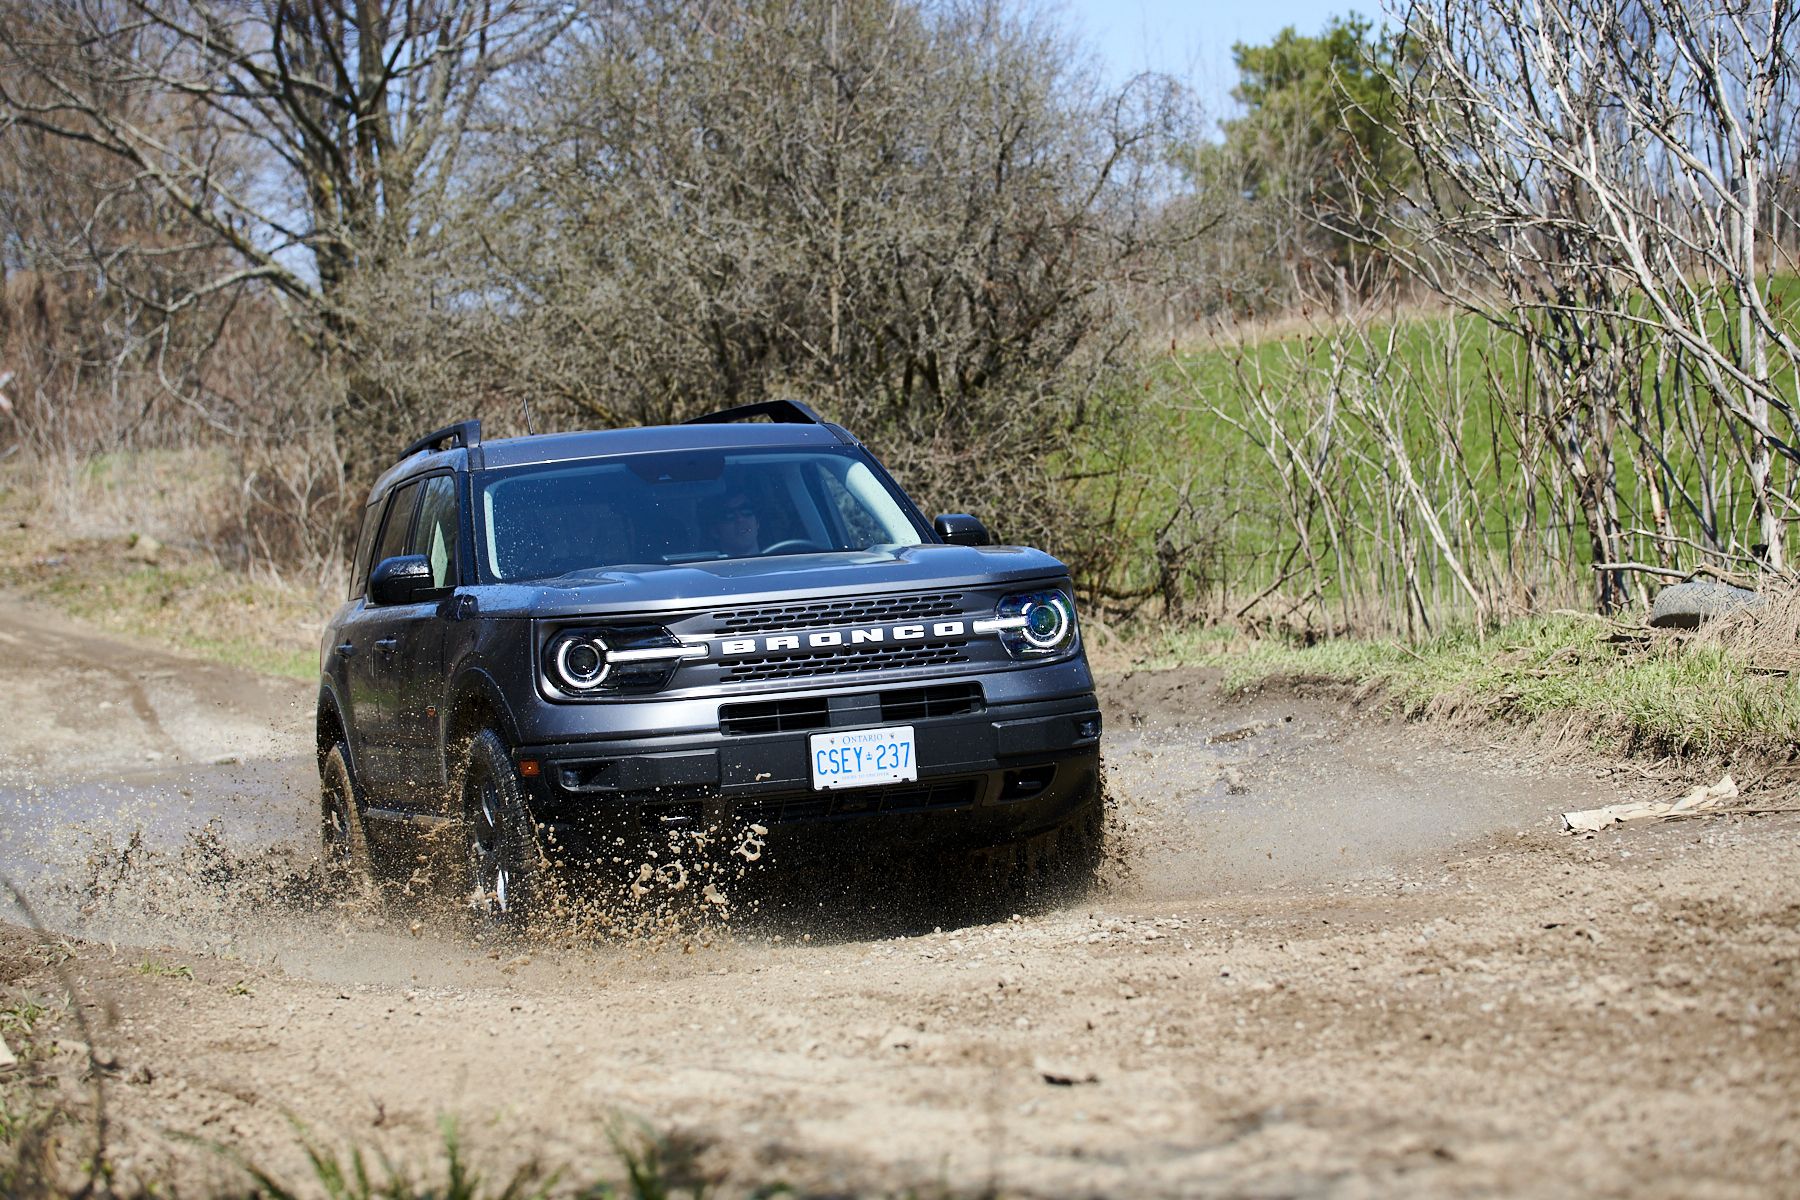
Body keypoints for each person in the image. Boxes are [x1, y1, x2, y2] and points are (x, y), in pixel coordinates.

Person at [709, 491, 761, 558]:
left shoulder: (778, 561)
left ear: (757, 523)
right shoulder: (709, 568)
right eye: (729, 516)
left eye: (746, 511)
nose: (740, 519)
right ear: (715, 531)